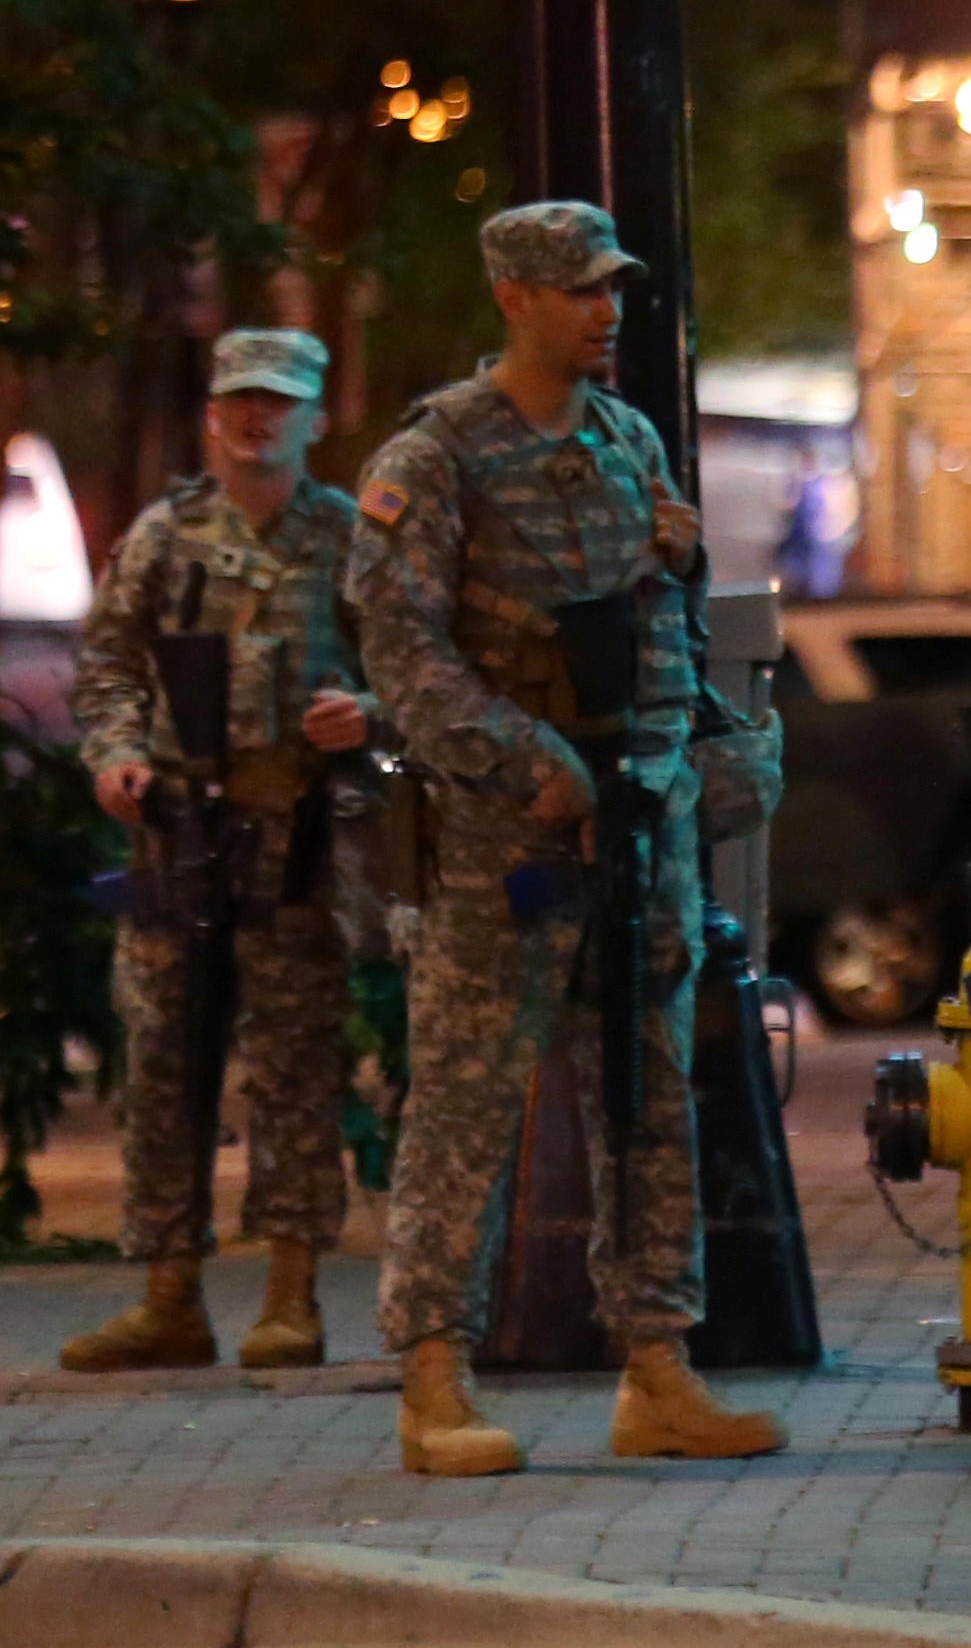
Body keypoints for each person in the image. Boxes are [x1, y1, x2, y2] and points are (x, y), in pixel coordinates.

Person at [348, 201, 785, 1476]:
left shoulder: (624, 436)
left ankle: (658, 1366)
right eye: (582, 291)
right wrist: (521, 760)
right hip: (505, 836)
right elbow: (400, 647)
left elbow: (665, 621)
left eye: (614, 290)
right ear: (514, 297)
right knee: (468, 1105)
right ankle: (434, 1376)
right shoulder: (437, 457)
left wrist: (683, 725)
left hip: (637, 819)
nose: (607, 312)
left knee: (648, 1094)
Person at [65, 326, 373, 1375]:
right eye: (241, 399)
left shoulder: (350, 538)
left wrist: (364, 712)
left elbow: (419, 668)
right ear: (212, 414)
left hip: (297, 835)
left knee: (293, 1066)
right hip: (179, 829)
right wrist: (114, 758)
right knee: (163, 1062)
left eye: (279, 401)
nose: (257, 418)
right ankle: (168, 1296)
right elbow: (105, 666)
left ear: (315, 418)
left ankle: (290, 1295)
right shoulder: (165, 536)